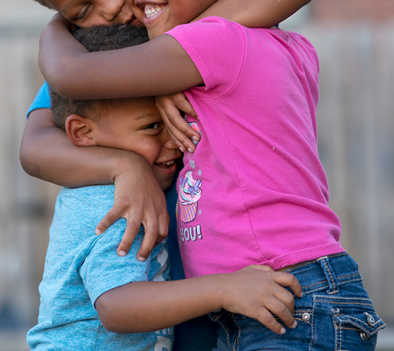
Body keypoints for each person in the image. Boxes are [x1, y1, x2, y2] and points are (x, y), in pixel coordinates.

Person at [38, 0, 385, 350]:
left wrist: (58, 23)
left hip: (284, 291)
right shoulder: (268, 42)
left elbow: (73, 75)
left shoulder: (213, 44)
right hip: (273, 293)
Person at [12, 0, 312, 349]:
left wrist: (180, 56)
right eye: (82, 11)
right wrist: (125, 166)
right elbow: (35, 147)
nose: (112, 4)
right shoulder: (103, 56)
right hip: (169, 283)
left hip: (234, 274)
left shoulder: (187, 13)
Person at [27, 25, 302, 351]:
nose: (174, 140)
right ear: (83, 132)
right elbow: (116, 305)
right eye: (152, 126)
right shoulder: (115, 202)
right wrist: (226, 289)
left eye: (177, 121)